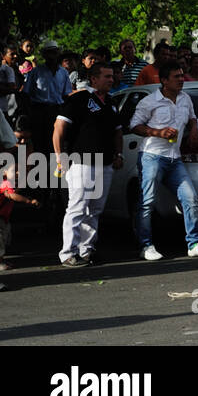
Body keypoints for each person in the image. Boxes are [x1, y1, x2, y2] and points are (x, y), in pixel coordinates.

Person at [131, 59, 198, 260]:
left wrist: (194, 129)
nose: (181, 79)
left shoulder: (185, 98)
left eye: (181, 75)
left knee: (190, 198)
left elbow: (192, 116)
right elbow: (134, 125)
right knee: (147, 201)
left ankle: (194, 243)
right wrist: (157, 132)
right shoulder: (149, 101)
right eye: (176, 77)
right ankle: (146, 246)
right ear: (164, 81)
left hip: (174, 158)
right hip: (151, 156)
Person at [53, 62, 123, 266]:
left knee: (95, 210)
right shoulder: (79, 99)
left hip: (106, 163)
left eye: (112, 76)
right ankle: (67, 253)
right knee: (77, 208)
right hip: (81, 162)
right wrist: (60, 157)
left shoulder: (110, 102)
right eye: (107, 76)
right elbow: (58, 128)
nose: (111, 80)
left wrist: (119, 154)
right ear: (94, 79)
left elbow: (118, 131)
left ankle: (86, 250)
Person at [21, 39, 73, 155]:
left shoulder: (63, 72)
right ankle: (41, 170)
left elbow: (66, 94)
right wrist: (30, 113)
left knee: (56, 142)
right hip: (39, 111)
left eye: (54, 52)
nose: (51, 56)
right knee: (40, 143)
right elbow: (25, 94)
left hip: (57, 110)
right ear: (44, 55)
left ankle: (55, 168)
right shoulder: (36, 72)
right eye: (48, 52)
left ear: (58, 54)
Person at [0, 160, 40, 270]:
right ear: (4, 172)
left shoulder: (10, 183)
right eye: (15, 171)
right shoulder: (4, 183)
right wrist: (28, 201)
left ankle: (1, 260)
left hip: (3, 218)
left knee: (4, 239)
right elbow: (11, 195)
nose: (18, 173)